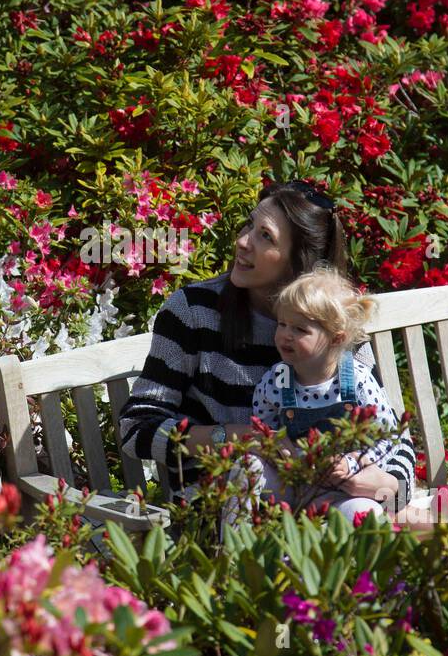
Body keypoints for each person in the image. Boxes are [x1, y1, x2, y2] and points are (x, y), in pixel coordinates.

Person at [118, 179, 417, 517]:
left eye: (265, 236)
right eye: (249, 225)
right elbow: (136, 428)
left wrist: (385, 483)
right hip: (223, 512)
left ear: (296, 263)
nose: (243, 242)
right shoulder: (193, 312)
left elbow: (393, 440)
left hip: (326, 505)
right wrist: (233, 438)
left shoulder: (336, 325)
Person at [220, 268, 413, 533]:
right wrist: (274, 444)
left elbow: (388, 437)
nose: (285, 335)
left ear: (337, 338)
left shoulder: (356, 380)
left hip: (345, 491)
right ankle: (232, 553)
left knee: (364, 514)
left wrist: (352, 463)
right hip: (294, 482)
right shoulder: (277, 380)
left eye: (300, 329)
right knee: (248, 467)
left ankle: (361, 571)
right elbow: (261, 427)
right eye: (282, 324)